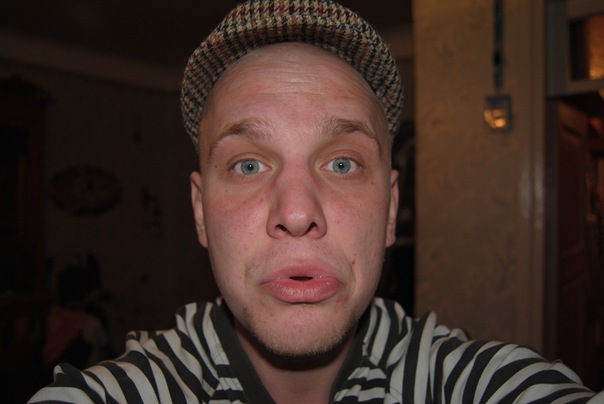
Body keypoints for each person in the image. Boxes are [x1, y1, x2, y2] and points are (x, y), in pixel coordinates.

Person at [30, 0, 601, 402]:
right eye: (248, 165)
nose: (298, 213)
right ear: (201, 212)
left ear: (389, 209)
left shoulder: (468, 384)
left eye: (342, 163)